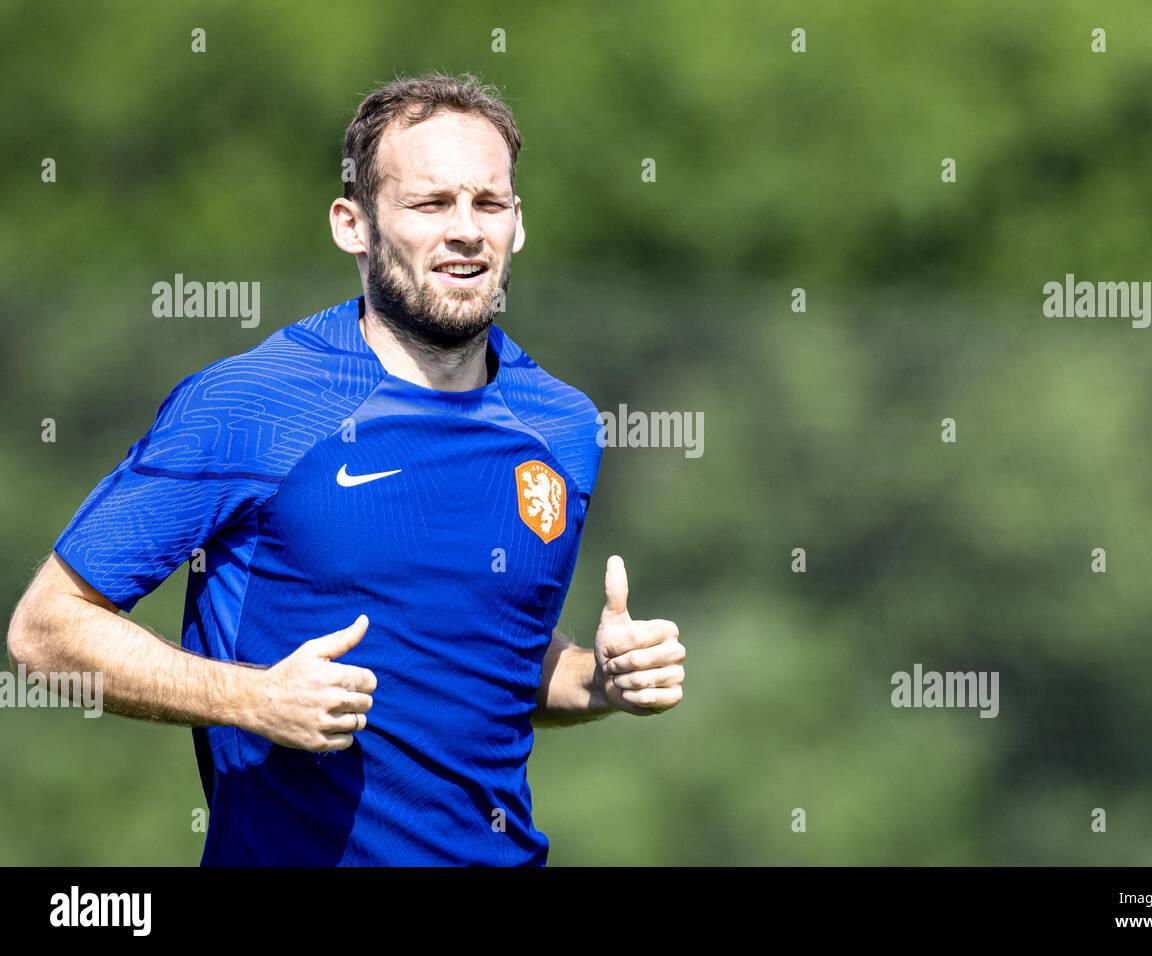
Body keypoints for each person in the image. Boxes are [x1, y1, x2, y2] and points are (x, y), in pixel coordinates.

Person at [7, 71, 685, 866]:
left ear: (517, 224)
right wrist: (252, 699)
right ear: (352, 225)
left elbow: (481, 661)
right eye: (430, 205)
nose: (465, 230)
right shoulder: (250, 405)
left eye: (487, 204)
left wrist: (597, 681)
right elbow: (45, 631)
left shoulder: (562, 425)